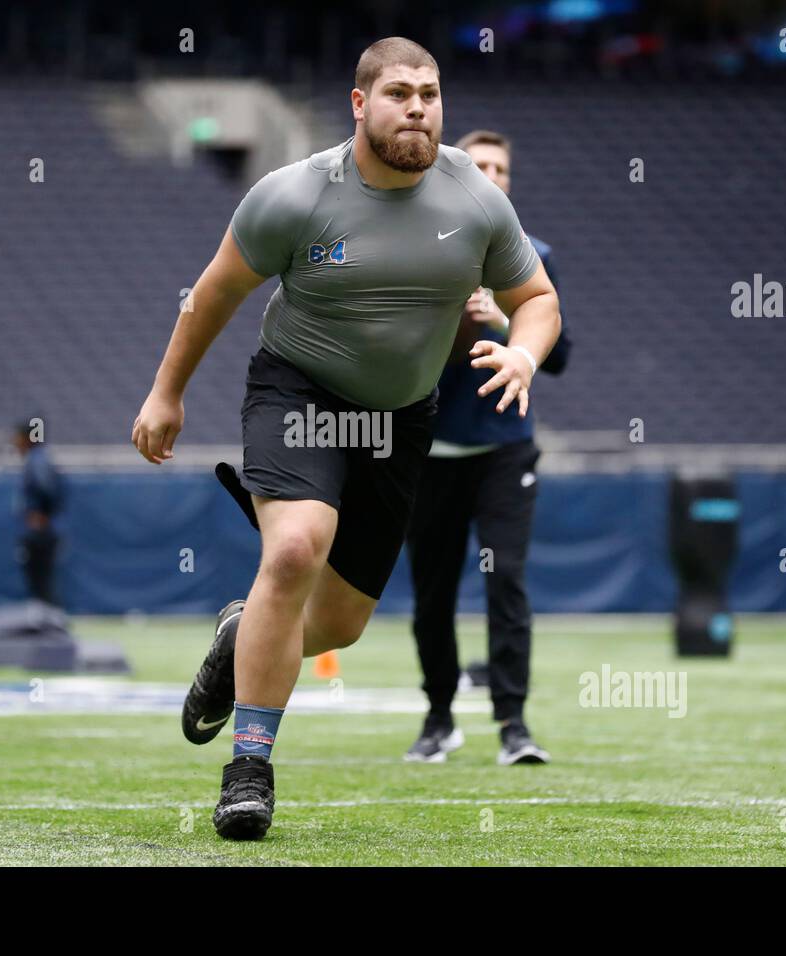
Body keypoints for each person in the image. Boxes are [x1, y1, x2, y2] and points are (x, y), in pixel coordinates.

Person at [132, 37, 562, 840]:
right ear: (361, 105)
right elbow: (215, 293)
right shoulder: (293, 195)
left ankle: (238, 637)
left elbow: (536, 296)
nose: (419, 109)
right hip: (301, 389)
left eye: (431, 95)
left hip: (401, 419)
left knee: (336, 623)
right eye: (400, 93)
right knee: (295, 547)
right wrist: (167, 392)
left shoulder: (474, 198)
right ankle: (249, 769)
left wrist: (523, 349)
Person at [404, 129, 573, 766]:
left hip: (504, 448)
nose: (492, 175)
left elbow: (562, 357)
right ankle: (439, 716)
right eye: (480, 165)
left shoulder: (533, 256)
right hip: (431, 447)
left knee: (507, 582)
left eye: (502, 166)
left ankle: (513, 724)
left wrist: (507, 325)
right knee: (433, 591)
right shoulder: (420, 249)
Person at [13, 419, 64, 605]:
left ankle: (48, 627)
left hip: (40, 532)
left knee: (40, 584)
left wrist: (40, 514)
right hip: (44, 531)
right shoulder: (41, 458)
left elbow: (46, 489)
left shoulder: (36, 460)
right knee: (43, 583)